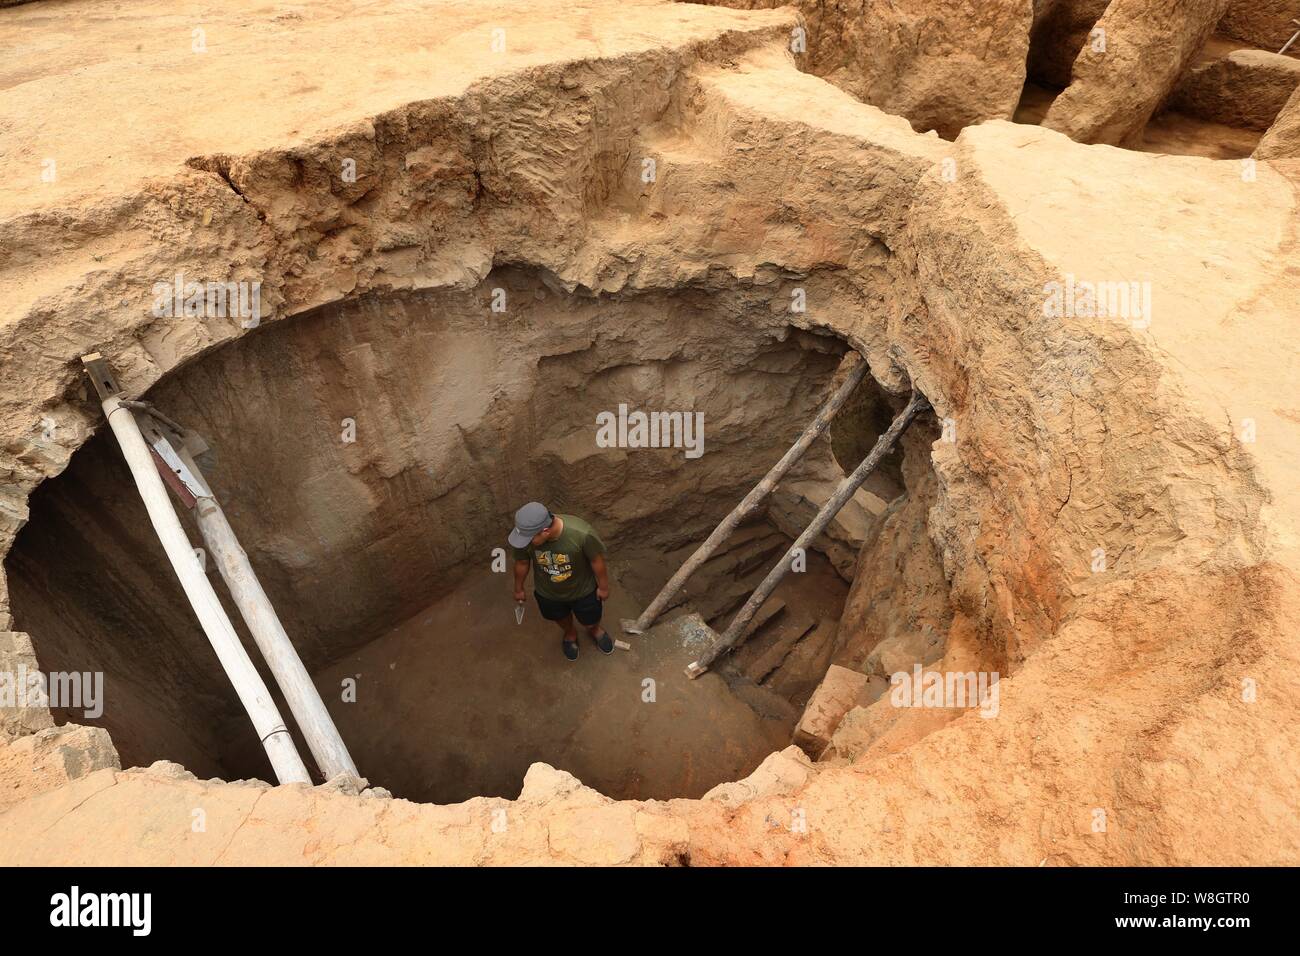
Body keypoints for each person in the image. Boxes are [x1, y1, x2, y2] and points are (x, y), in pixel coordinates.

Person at [509, 501, 613, 661]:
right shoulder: (526, 536)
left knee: (590, 618)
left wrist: (603, 587)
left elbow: (596, 560)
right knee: (559, 617)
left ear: (545, 531)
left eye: (529, 540)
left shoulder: (581, 533)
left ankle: (594, 629)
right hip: (548, 593)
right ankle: (570, 632)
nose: (525, 543)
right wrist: (518, 589)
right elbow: (522, 562)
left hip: (583, 590)